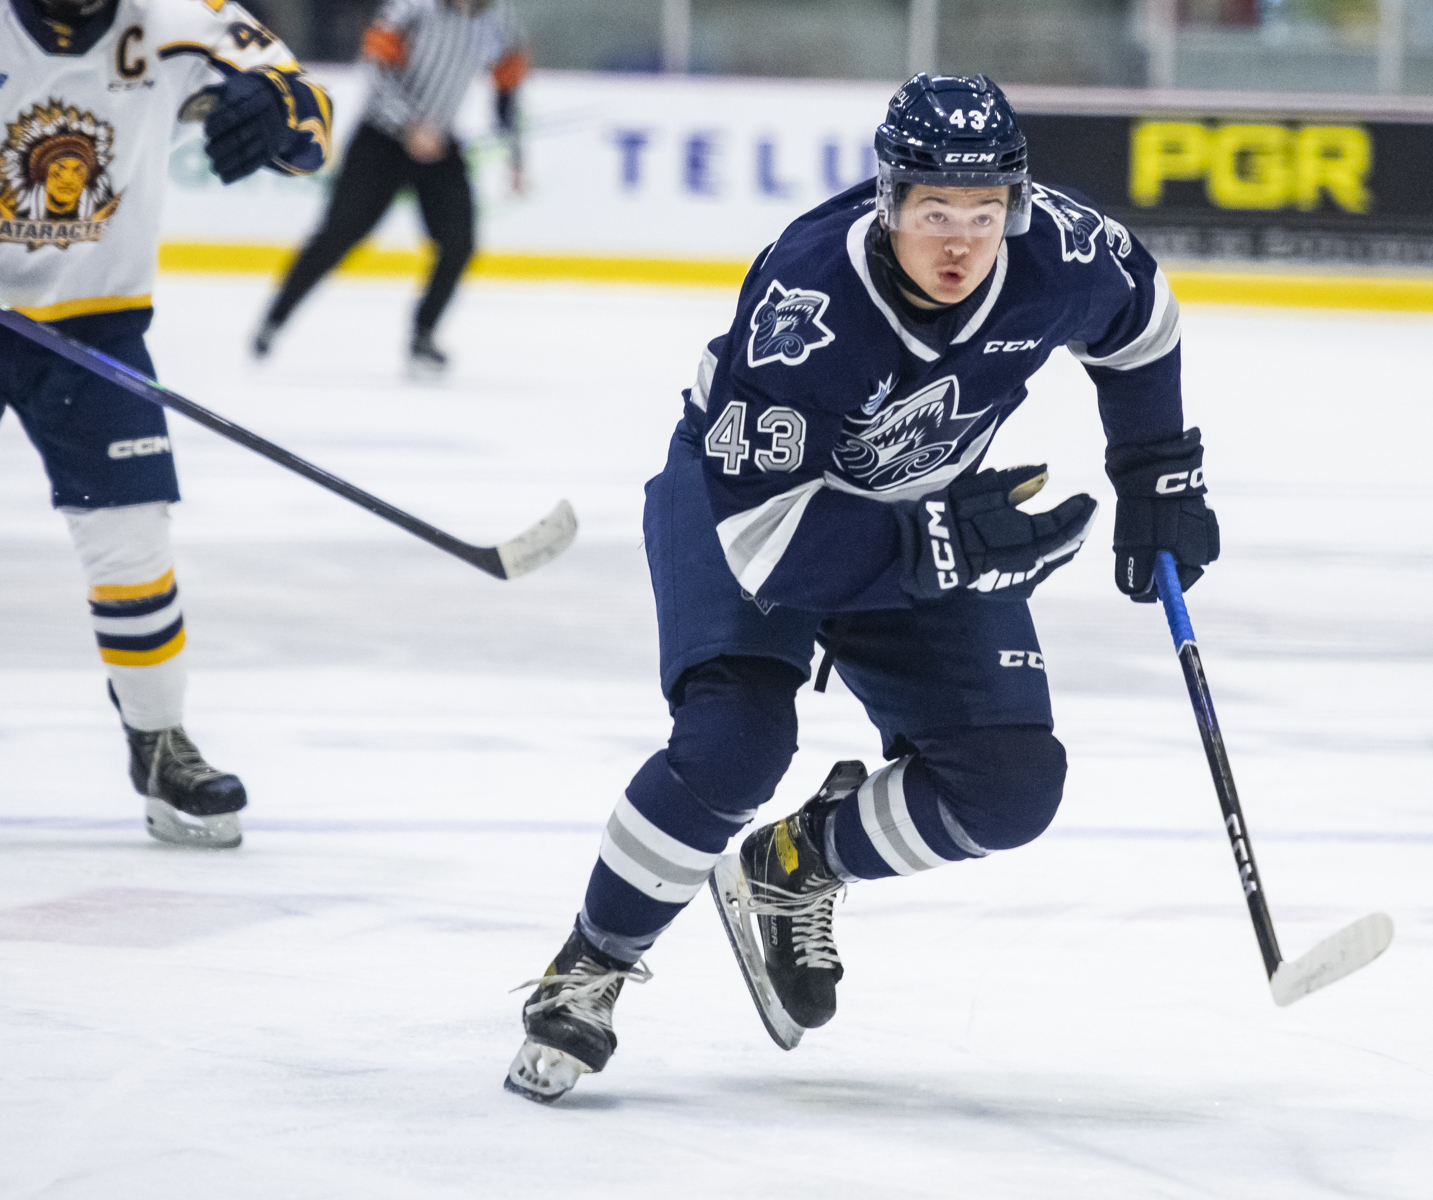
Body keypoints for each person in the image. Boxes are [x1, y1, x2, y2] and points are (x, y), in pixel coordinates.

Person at [502, 74, 1221, 1104]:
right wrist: (946, 545)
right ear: (886, 200)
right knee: (734, 746)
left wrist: (1158, 466)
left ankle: (798, 863)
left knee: (1011, 786)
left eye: (985, 214)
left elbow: (1143, 322)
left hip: (921, 508)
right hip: (746, 504)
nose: (962, 243)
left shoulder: (1059, 250)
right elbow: (772, 549)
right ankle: (595, 961)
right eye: (935, 213)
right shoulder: (809, 299)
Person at [1, 0, 333, 847]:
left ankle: (157, 745)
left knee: (132, 544)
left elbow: (311, 119)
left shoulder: (180, 15)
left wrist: (279, 113)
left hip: (96, 327)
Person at [251, 0, 528, 377]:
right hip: (381, 139)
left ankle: (423, 335)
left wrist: (514, 153)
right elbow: (377, 65)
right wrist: (409, 125)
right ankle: (274, 319)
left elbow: (508, 83)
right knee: (338, 235)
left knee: (459, 242)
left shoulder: (499, 18)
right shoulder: (414, 8)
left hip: (440, 144)